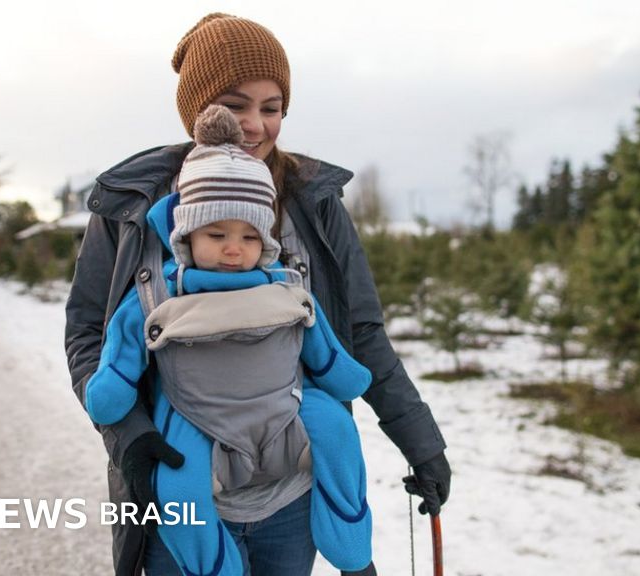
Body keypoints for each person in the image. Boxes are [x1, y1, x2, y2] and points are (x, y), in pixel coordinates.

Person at [64, 12, 452, 576]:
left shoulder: (313, 205)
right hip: (178, 481)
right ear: (196, 111)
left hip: (289, 491)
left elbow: (359, 333)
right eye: (235, 105)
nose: (254, 125)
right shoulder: (128, 205)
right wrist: (129, 435)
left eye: (271, 109)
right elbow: (86, 335)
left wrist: (421, 440)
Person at [83, 104, 375, 574]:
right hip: (198, 419)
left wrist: (344, 376)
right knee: (178, 488)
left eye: (248, 236)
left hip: (286, 410)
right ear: (186, 236)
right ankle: (212, 565)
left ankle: (349, 540)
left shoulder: (286, 288)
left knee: (338, 432)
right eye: (216, 233)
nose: (233, 248)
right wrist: (114, 398)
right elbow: (119, 349)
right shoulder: (158, 293)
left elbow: (323, 350)